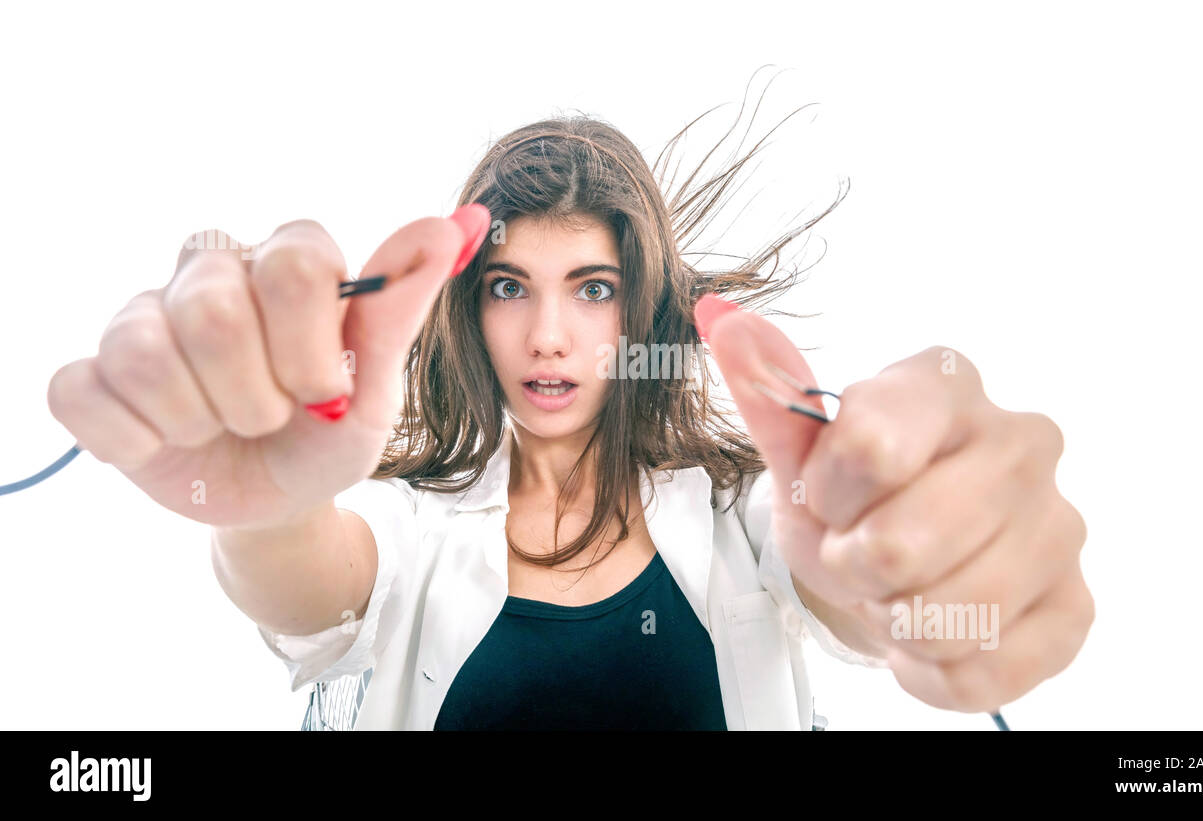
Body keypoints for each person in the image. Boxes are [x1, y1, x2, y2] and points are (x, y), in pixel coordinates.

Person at [46, 98, 1093, 731]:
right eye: (509, 287)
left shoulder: (744, 521)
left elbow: (842, 585)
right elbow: (305, 580)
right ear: (468, 307)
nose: (548, 335)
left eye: (591, 288)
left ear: (639, 307)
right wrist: (262, 505)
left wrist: (926, 569)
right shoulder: (415, 526)